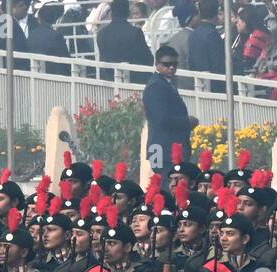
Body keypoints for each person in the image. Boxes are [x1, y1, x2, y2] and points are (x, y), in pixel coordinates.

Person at [144, 46, 197, 176]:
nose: (171, 67)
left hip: (169, 149)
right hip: (163, 150)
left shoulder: (166, 83)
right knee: (166, 187)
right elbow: (162, 119)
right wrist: (187, 122)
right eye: (167, 64)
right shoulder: (156, 86)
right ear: (157, 65)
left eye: (174, 64)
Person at [95, 0, 152, 83]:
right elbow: (148, 58)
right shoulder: (135, 32)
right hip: (134, 81)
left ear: (111, 13)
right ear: (128, 13)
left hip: (109, 81)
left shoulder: (101, 34)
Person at [188, 0, 227, 92]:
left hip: (199, 84)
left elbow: (191, 62)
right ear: (216, 13)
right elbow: (218, 65)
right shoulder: (212, 35)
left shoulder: (193, 34)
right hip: (214, 86)